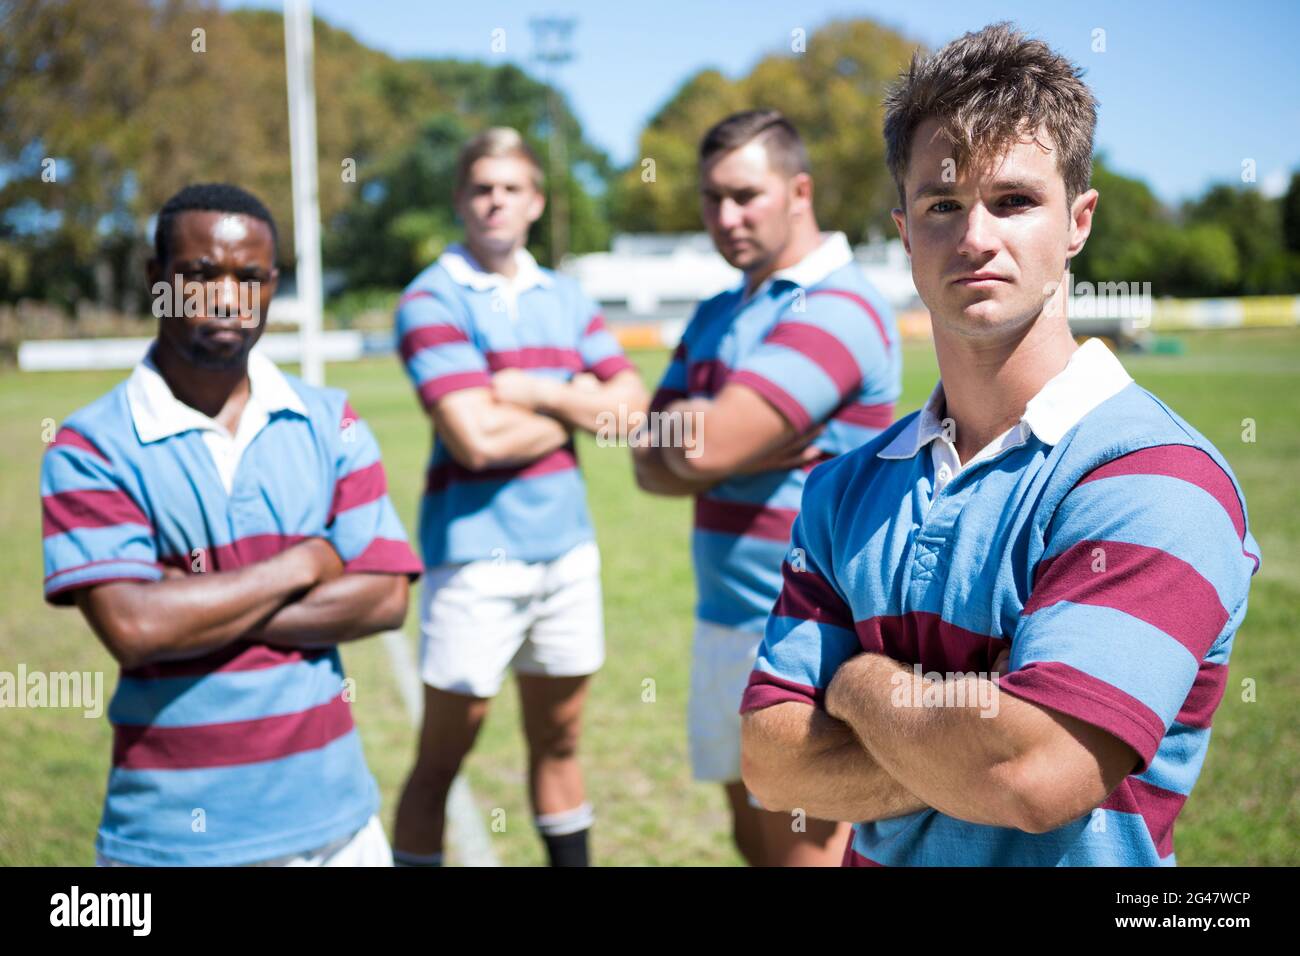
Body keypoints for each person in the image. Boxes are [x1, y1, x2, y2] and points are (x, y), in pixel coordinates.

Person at [740, 22, 1261, 866]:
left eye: (1014, 201)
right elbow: (771, 759)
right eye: (943, 204)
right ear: (905, 231)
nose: (975, 236)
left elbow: (1032, 773)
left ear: (1078, 222)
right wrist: (965, 735)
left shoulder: (1158, 479)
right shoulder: (844, 489)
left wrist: (858, 684)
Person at [41, 182, 422, 866]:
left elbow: (387, 597)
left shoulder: (331, 421)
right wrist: (301, 565)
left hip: (341, 829)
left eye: (249, 278)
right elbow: (134, 629)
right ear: (156, 280)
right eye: (198, 274)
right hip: (174, 844)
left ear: (273, 286)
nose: (226, 296)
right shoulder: (91, 445)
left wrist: (187, 600)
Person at [633, 110, 900, 866]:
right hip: (722, 620)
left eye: (745, 195)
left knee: (803, 855)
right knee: (751, 844)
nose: (726, 216)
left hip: (806, 632)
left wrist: (703, 439)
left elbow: (702, 444)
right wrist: (706, 439)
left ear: (800, 190)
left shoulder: (838, 304)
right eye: (711, 198)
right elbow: (646, 459)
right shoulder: (720, 311)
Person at [392, 128, 647, 867]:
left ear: (535, 202)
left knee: (561, 745)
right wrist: (580, 405)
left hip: (566, 553)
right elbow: (476, 439)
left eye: (511, 188)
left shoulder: (564, 297)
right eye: (481, 188)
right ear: (461, 200)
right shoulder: (431, 297)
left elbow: (634, 412)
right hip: (474, 559)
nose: (496, 200)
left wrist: (536, 391)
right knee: (441, 761)